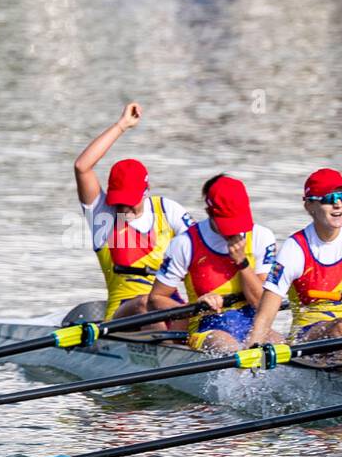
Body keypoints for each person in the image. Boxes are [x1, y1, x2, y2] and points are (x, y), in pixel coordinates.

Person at [245, 168, 342, 374]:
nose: (338, 204)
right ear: (309, 205)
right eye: (328, 198)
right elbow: (266, 313)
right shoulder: (295, 248)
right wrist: (252, 351)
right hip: (309, 335)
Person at [73, 102, 193, 320]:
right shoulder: (104, 215)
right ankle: (167, 346)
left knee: (186, 313)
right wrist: (122, 125)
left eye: (130, 201)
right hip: (123, 314)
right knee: (146, 303)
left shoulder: (168, 210)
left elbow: (200, 252)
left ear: (145, 193)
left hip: (169, 306)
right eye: (119, 200)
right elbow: (82, 167)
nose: (124, 207)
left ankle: (183, 344)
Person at [148, 175, 278, 353]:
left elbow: (260, 304)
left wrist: (242, 263)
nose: (234, 231)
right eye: (227, 224)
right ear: (209, 213)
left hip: (251, 323)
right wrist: (197, 305)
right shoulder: (185, 243)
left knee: (279, 344)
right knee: (227, 346)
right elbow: (156, 299)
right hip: (205, 327)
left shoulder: (262, 237)